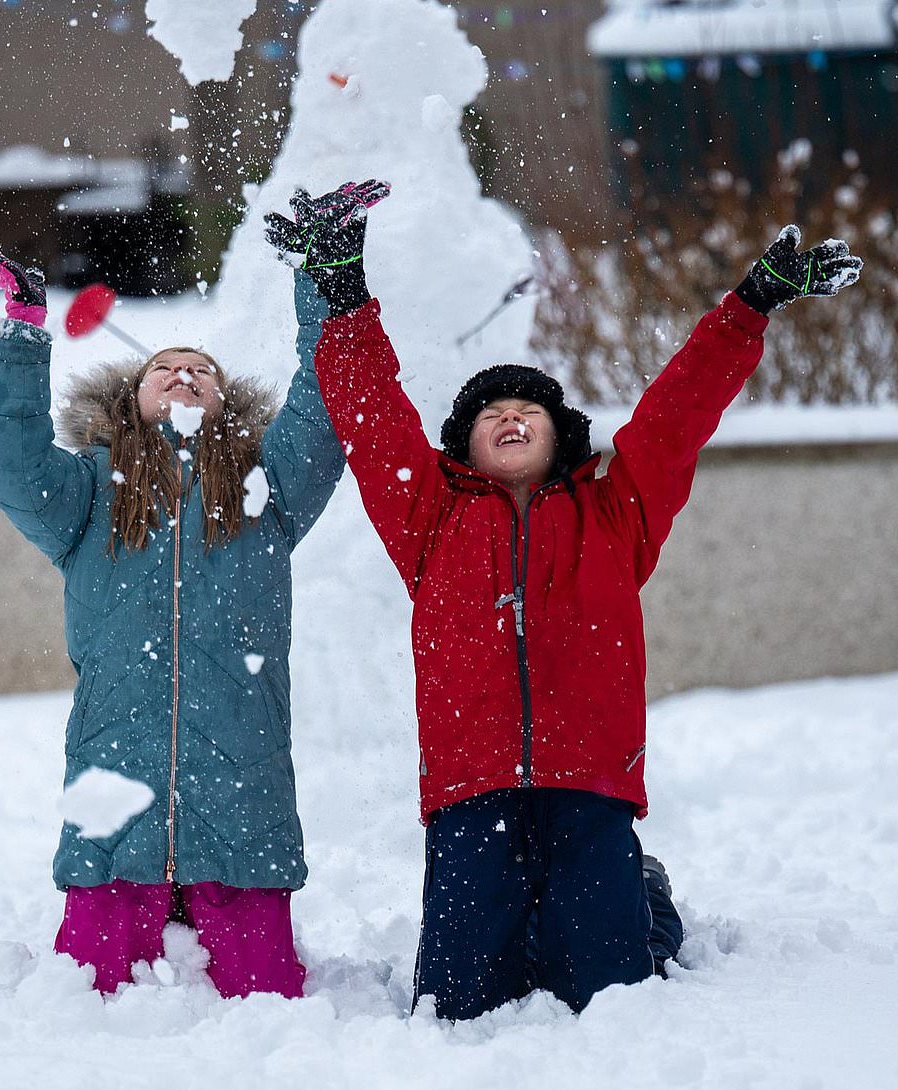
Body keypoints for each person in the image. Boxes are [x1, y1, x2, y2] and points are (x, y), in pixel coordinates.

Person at [261, 182, 860, 1019]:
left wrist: (748, 308)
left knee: (613, 992)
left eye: (527, 409)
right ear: (464, 444)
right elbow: (374, 421)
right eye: (491, 413)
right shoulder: (429, 519)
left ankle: (640, 893)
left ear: (559, 432)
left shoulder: (614, 514)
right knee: (457, 1002)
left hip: (592, 787)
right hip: (471, 791)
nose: (510, 417)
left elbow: (675, 419)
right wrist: (344, 294)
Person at [0, 233, 346, 997]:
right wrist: (23, 327)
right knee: (87, 994)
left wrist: (323, 283)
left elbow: (327, 405)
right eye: (164, 369)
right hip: (117, 771)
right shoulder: (85, 493)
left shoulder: (266, 490)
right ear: (130, 401)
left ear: (223, 399)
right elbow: (8, 458)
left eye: (201, 370)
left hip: (242, 774)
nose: (182, 374)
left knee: (267, 995)